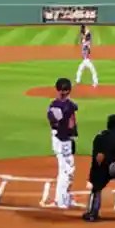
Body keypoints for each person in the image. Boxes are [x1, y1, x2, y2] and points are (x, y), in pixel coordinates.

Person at [46, 77, 79, 209]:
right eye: (62, 91)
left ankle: (67, 196)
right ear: (58, 90)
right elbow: (56, 124)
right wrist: (67, 136)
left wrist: (73, 137)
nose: (64, 93)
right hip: (60, 140)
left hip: (67, 140)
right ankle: (60, 200)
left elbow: (72, 120)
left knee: (70, 170)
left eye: (66, 91)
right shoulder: (54, 107)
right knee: (64, 171)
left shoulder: (70, 105)